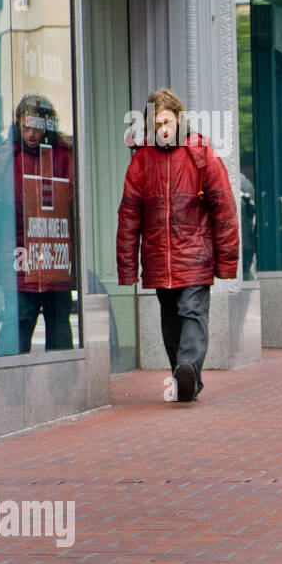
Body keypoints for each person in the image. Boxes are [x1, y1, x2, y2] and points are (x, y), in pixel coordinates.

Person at [117, 88, 239, 401]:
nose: (163, 129)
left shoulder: (201, 152)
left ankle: (187, 368)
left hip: (195, 256)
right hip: (159, 260)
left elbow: (224, 209)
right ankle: (185, 378)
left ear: (179, 118)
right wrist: (128, 268)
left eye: (167, 121)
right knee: (170, 322)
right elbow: (129, 217)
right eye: (156, 124)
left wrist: (226, 263)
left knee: (192, 312)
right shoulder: (142, 161)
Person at [0, 95, 77, 355]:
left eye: (36, 126)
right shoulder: (5, 160)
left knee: (58, 329)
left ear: (47, 125)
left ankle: (62, 388)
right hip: (20, 261)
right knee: (17, 326)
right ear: (18, 125)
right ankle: (4, 387)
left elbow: (74, 213)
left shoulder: (64, 155)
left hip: (54, 261)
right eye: (26, 127)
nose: (31, 133)